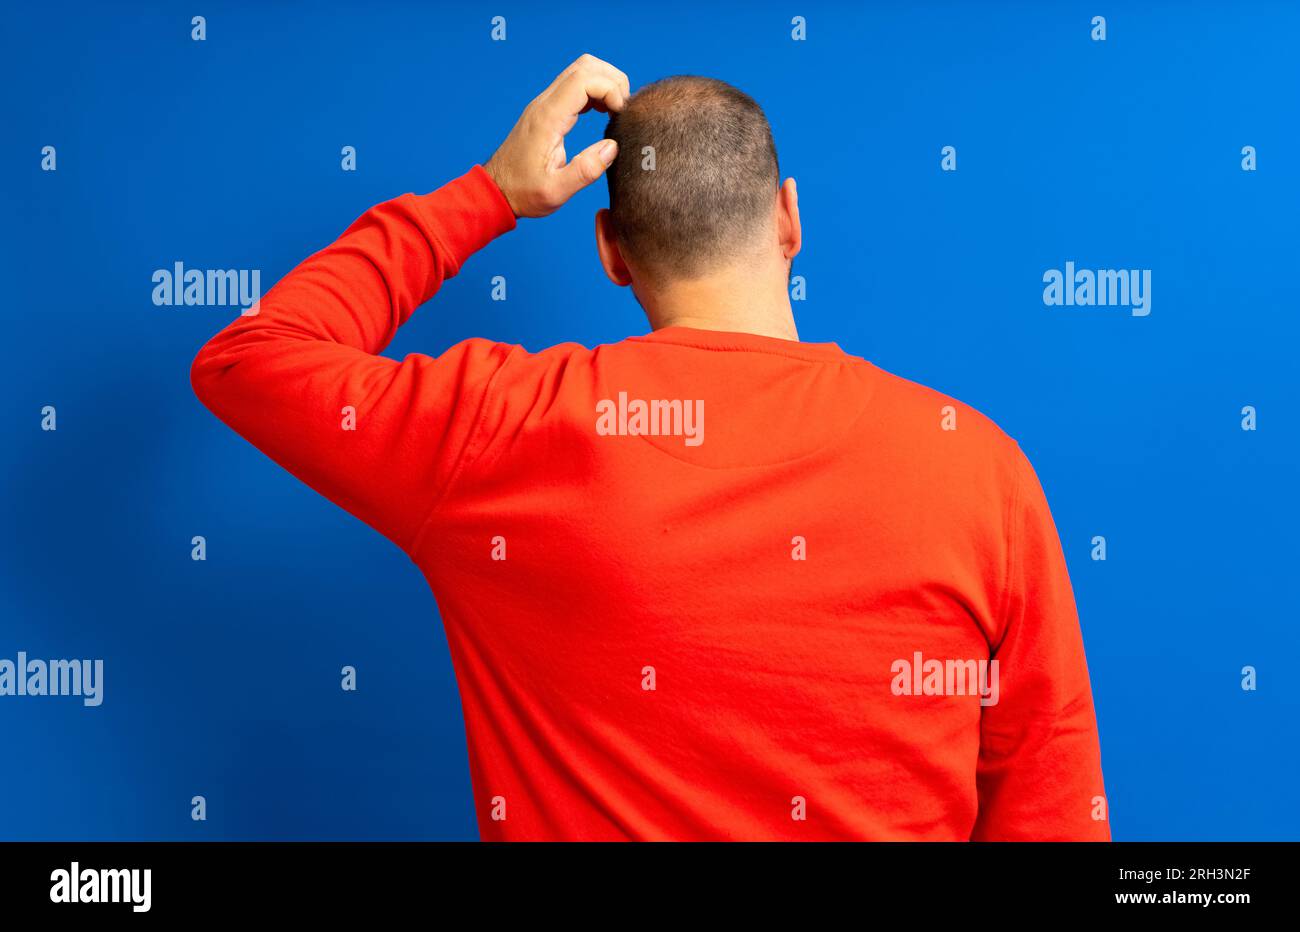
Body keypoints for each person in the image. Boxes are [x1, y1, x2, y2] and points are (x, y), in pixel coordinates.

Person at [191, 54, 1108, 841]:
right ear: (790, 220)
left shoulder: (504, 430)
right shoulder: (979, 467)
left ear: (610, 251)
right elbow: (1054, 810)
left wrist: (491, 195)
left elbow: (248, 360)